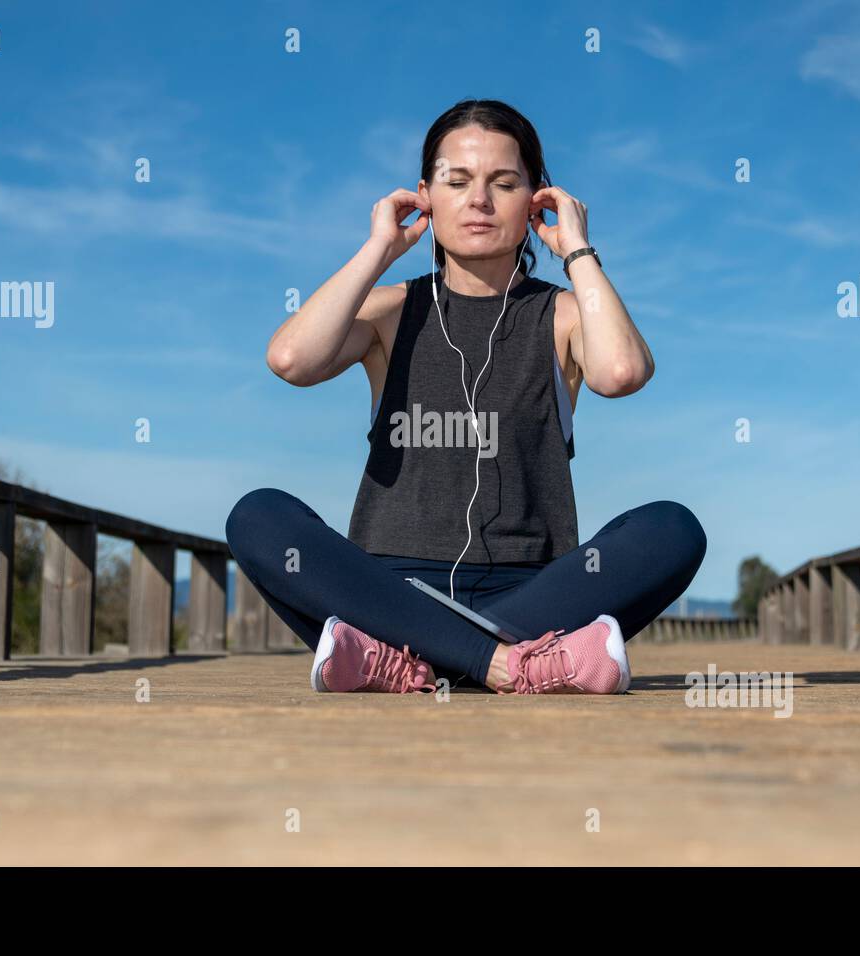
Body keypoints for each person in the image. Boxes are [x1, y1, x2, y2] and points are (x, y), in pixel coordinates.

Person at [225, 98, 706, 695]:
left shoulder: (562, 316)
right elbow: (290, 359)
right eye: (457, 181)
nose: (479, 199)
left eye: (504, 183)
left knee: (673, 529)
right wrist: (380, 248)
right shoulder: (391, 312)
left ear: (537, 202)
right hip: (388, 589)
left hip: (530, 590)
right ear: (425, 195)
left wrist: (577, 250)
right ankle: (510, 665)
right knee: (259, 516)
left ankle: (410, 662)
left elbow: (621, 372)